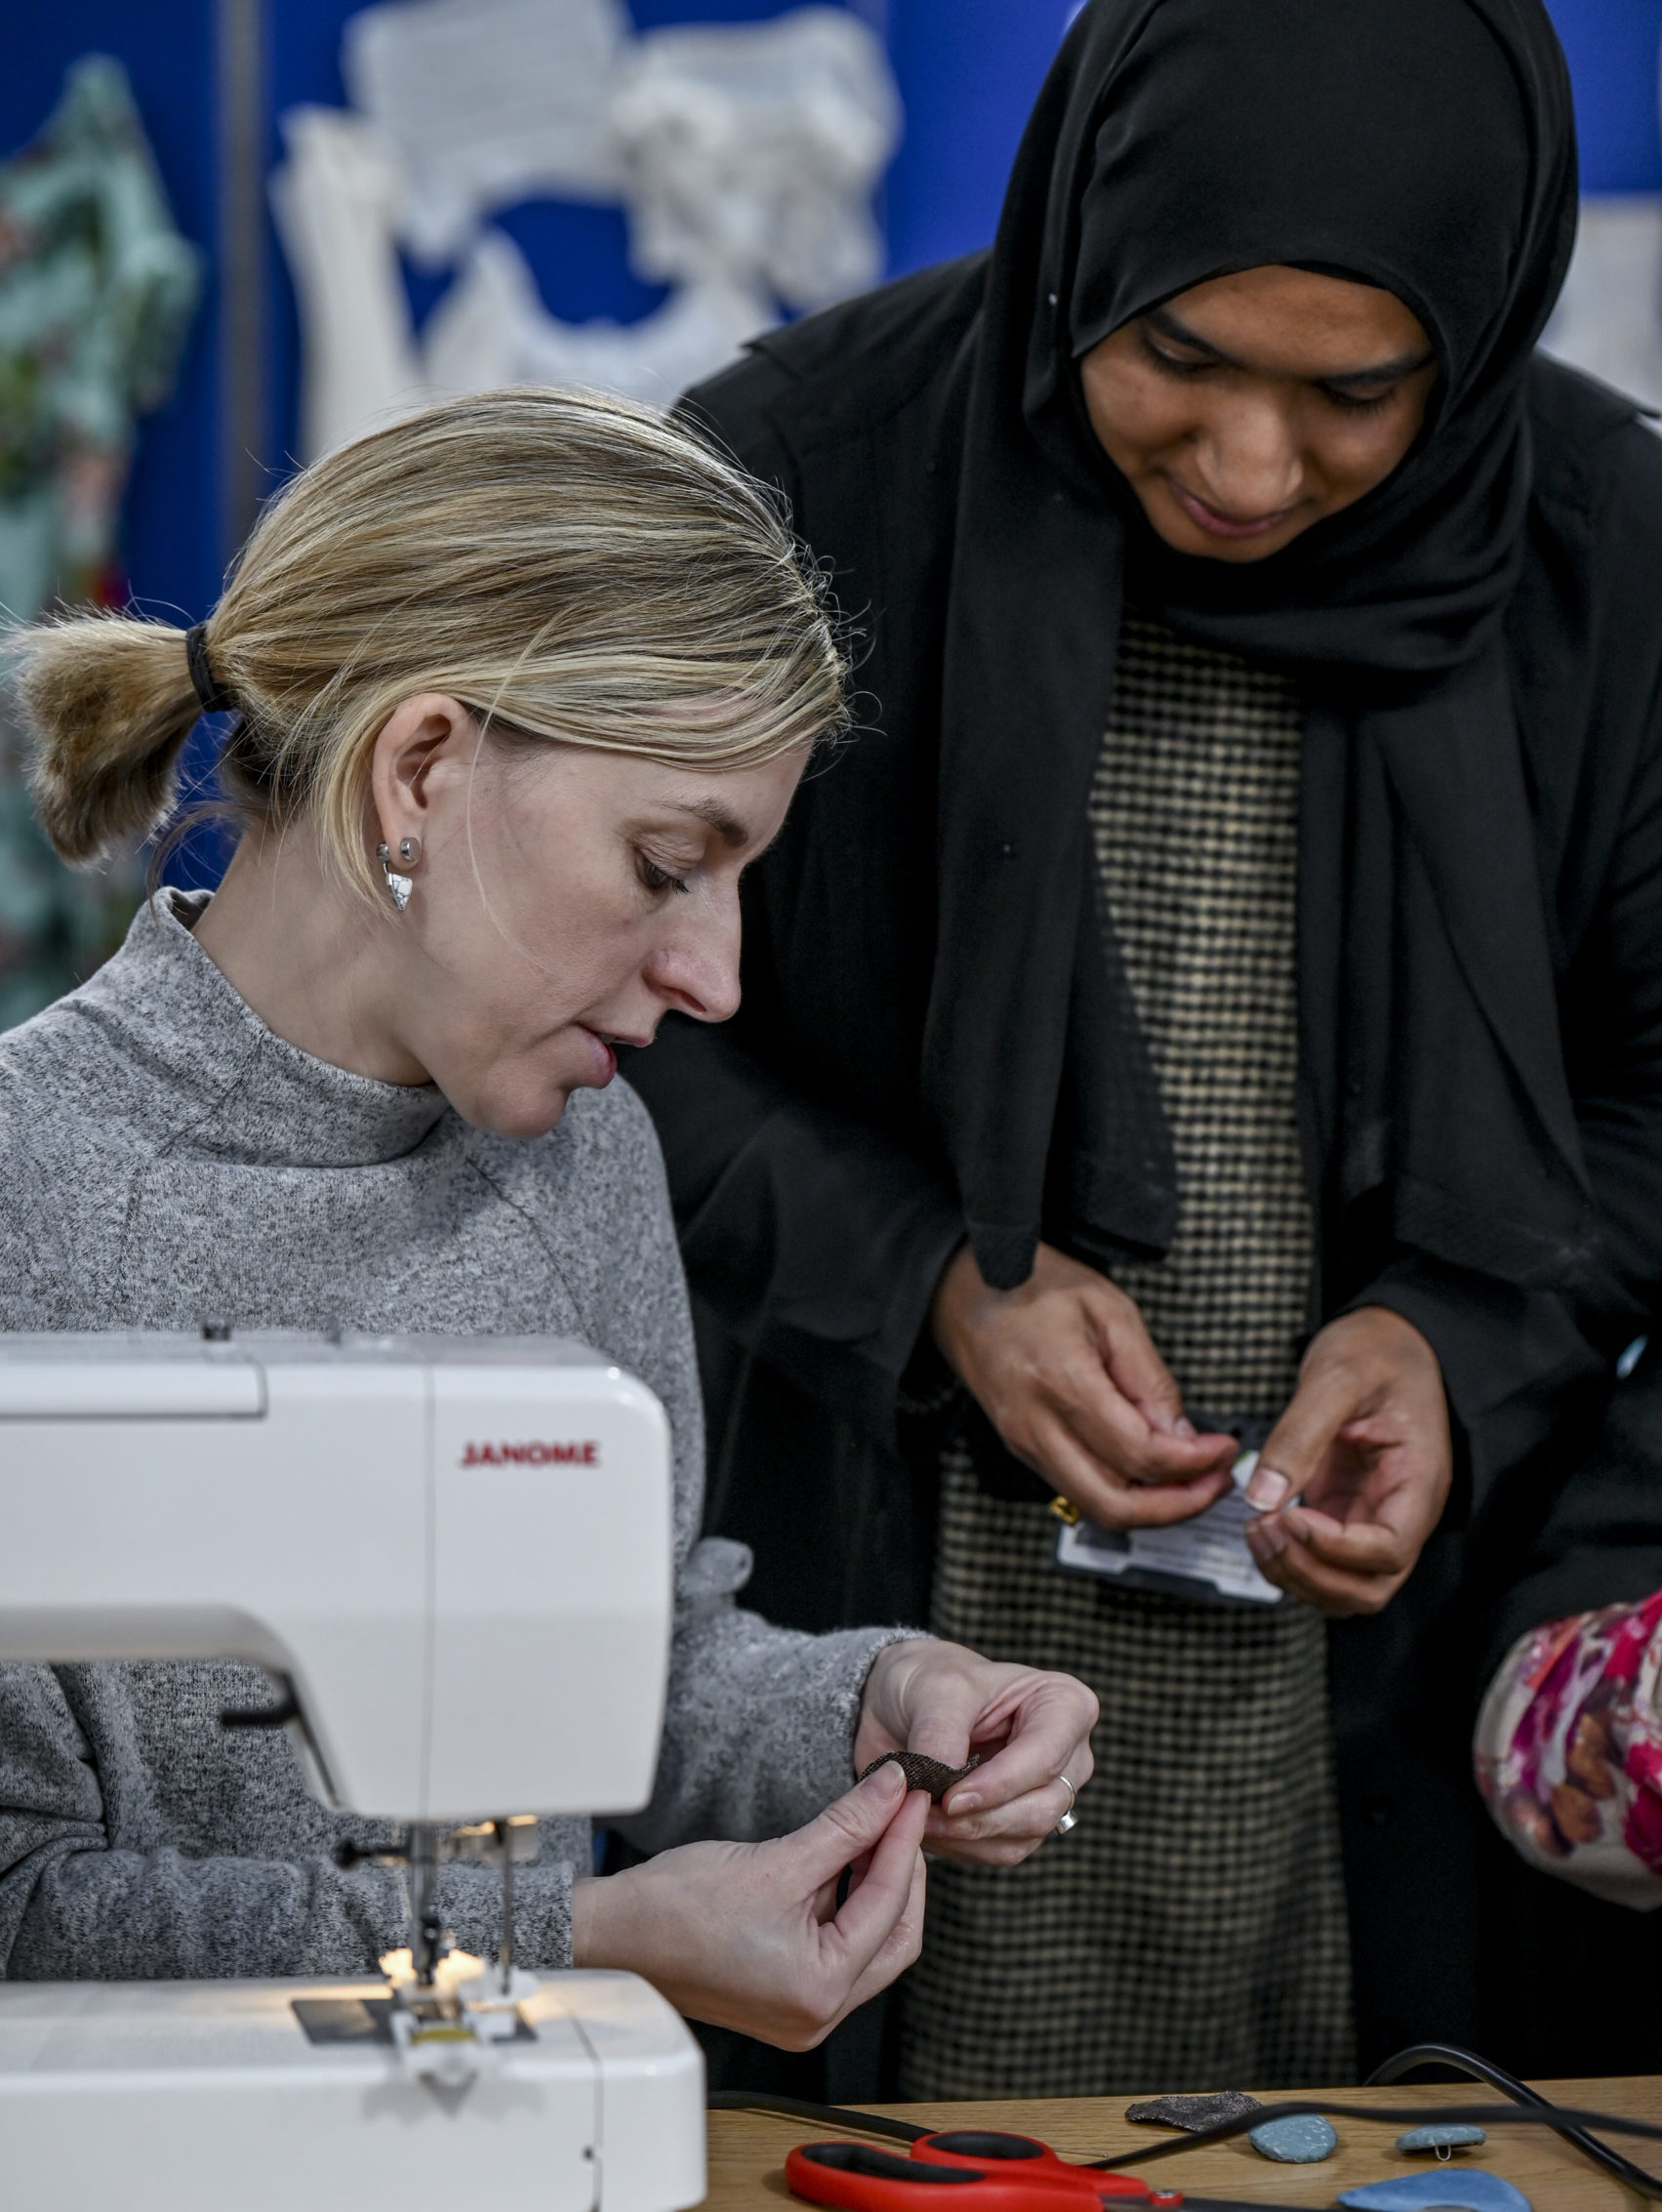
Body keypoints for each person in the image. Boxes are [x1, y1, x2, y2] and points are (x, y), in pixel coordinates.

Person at [630, 0, 1662, 2091]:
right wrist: (927, 1270)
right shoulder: (807, 473)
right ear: (1085, 243)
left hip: (1367, 1692)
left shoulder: (1592, 547)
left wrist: (1456, 1340)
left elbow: (1651, 1089)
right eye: (1177, 359)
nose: (1250, 465)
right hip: (866, 1580)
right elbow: (602, 1026)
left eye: (1357, 392)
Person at [0, 386, 1098, 2054]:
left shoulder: (583, 1159)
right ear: (423, 769)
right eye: (669, 864)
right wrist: (577, 1939)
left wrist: (870, 1705)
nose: (714, 977)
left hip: (536, 2193)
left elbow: (625, 1665)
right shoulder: (31, 1190)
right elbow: (18, 1906)